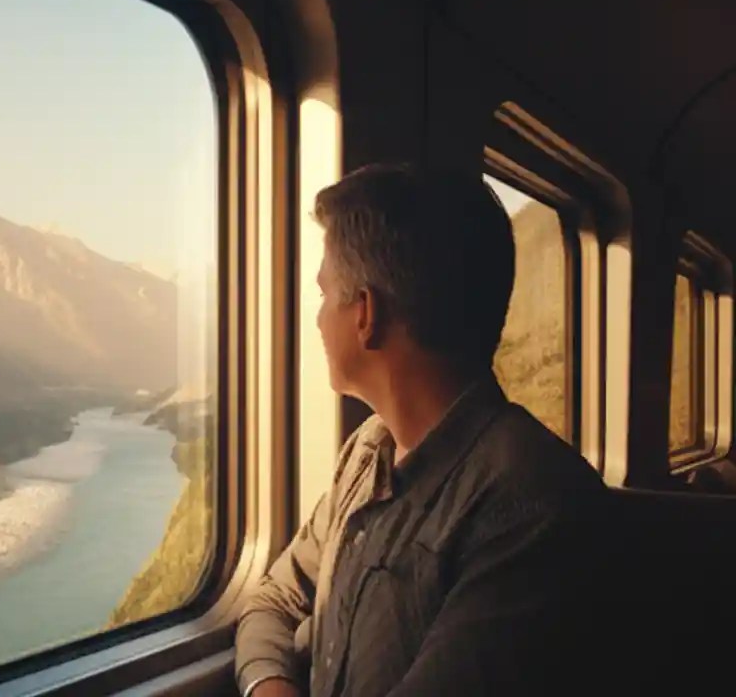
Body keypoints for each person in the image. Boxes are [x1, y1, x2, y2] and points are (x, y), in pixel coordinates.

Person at [234, 164, 609, 697]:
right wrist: (271, 685)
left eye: (323, 295)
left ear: (365, 314)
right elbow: (272, 599)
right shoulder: (365, 455)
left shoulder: (532, 505)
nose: (317, 319)